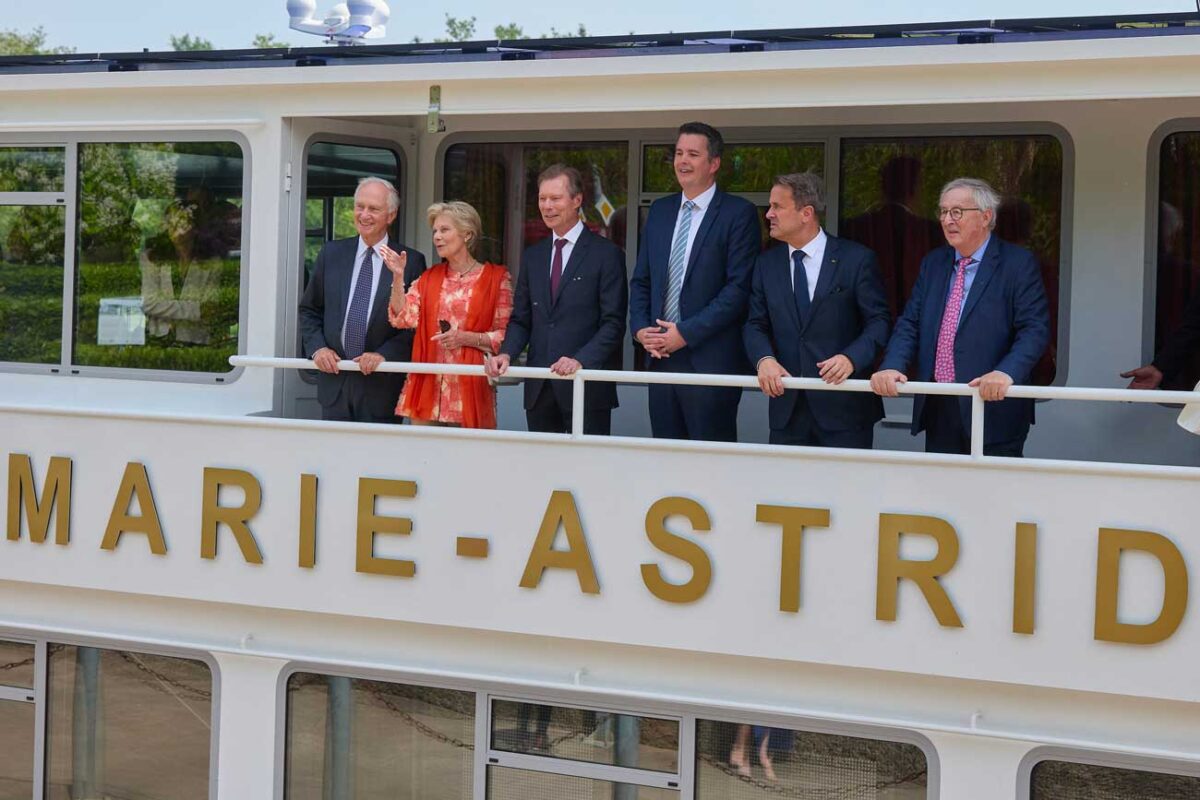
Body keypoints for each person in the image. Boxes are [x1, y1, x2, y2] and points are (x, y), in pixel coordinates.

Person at [870, 177, 1050, 456]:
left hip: (993, 405)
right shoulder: (934, 263)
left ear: (985, 216)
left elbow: (1034, 329)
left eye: (957, 212)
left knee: (992, 495)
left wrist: (1005, 372)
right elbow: (911, 323)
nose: (947, 220)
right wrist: (892, 364)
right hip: (940, 404)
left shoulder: (1017, 263)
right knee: (941, 495)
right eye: (943, 211)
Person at [629, 122, 760, 442]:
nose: (682, 161)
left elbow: (737, 290)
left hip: (710, 363)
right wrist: (641, 329)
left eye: (692, 154)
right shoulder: (660, 211)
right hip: (661, 359)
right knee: (666, 458)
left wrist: (685, 333)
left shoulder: (738, 213)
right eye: (677, 153)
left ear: (714, 164)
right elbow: (641, 281)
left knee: (710, 464)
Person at [743, 172, 890, 448]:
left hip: (844, 408)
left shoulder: (856, 259)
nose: (768, 215)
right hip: (786, 410)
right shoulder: (766, 264)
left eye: (777, 206)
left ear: (806, 213)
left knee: (845, 491)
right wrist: (764, 360)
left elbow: (879, 322)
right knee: (788, 492)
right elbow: (754, 324)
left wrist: (851, 358)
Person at [486, 164, 628, 434]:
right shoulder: (533, 256)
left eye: (555, 198)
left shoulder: (606, 254)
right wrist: (506, 353)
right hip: (540, 388)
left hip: (586, 385)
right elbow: (521, 320)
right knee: (543, 471)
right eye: (542, 199)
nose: (547, 206)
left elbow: (613, 324)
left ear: (577, 200)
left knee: (586, 471)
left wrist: (580, 360)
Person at [298, 177, 427, 423]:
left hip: (381, 386)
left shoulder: (410, 261)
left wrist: (384, 355)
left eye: (374, 209)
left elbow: (415, 325)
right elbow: (309, 310)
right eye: (360, 206)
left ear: (391, 215)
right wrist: (318, 348)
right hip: (334, 382)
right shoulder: (331, 254)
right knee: (334, 459)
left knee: (377, 461)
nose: (364, 215)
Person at [382, 201, 513, 428]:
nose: (437, 237)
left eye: (444, 230)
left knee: (467, 461)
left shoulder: (496, 279)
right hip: (427, 391)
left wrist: (466, 338)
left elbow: (507, 337)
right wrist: (397, 276)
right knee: (424, 461)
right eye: (435, 231)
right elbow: (402, 317)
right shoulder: (429, 277)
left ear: (467, 234)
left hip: (470, 392)